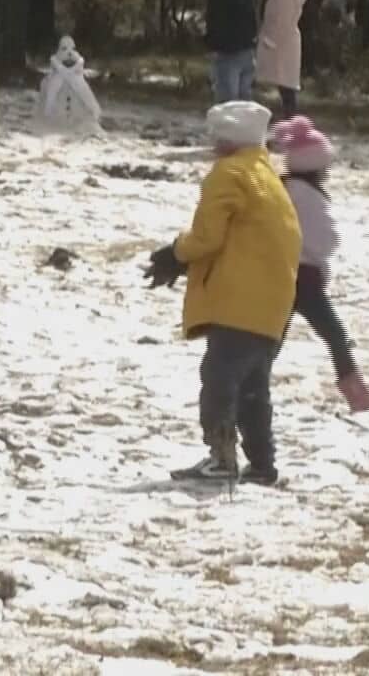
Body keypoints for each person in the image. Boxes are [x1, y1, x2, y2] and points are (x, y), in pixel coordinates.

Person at [147, 100, 301, 485]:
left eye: (216, 137)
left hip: (238, 299)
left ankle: (221, 456)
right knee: (253, 387)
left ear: (227, 140)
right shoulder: (268, 177)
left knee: (219, 377)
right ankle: (262, 465)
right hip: (272, 303)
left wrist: (174, 253)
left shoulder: (229, 173)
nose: (213, 145)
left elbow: (208, 237)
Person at [271, 117, 369, 412]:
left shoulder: (280, 187)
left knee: (272, 336)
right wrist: (328, 248)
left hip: (279, 272)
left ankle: (250, 386)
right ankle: (355, 391)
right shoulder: (308, 197)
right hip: (304, 276)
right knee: (334, 333)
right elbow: (323, 238)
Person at [255, 0, 307, 117]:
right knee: (285, 85)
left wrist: (270, 40)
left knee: (287, 86)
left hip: (281, 41)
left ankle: (289, 123)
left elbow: (283, 17)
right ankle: (286, 122)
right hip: (282, 41)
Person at [204, 0, 258, 104]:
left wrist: (211, 43)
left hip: (227, 52)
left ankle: (227, 129)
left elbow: (217, 21)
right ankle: (245, 128)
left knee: (226, 103)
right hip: (247, 51)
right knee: (244, 100)